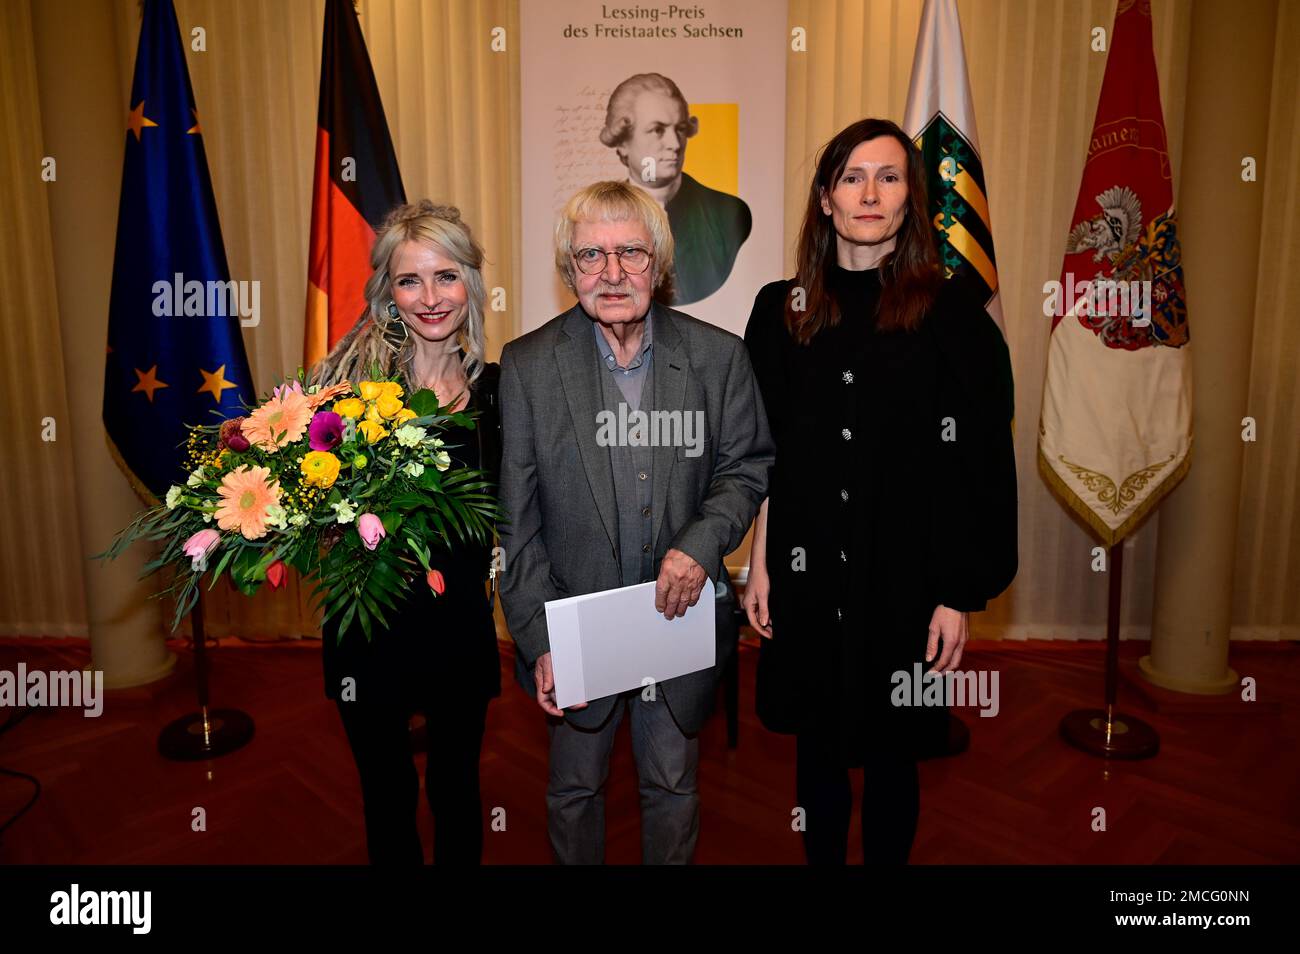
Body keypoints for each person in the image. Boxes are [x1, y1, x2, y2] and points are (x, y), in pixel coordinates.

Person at [741, 118, 1017, 865]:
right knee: (817, 750)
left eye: (889, 177)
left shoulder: (955, 315)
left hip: (909, 577)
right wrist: (761, 561)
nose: (869, 192)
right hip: (804, 569)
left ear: (910, 201)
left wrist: (957, 592)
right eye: (852, 177)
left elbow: (981, 464)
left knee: (898, 752)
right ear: (826, 199)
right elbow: (767, 451)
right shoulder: (780, 310)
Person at [497, 180, 773, 864]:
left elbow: (747, 468)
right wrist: (539, 637)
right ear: (569, 272)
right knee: (574, 791)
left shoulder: (719, 357)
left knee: (673, 784)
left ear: (660, 265)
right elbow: (517, 523)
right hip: (575, 623)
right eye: (591, 256)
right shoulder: (528, 366)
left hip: (676, 622)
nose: (613, 274)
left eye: (632, 254)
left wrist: (701, 547)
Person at [312, 200, 503, 864]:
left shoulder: (499, 394)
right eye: (409, 280)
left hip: (458, 631)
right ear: (386, 293)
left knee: (458, 790)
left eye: (446, 276)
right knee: (387, 796)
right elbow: (312, 516)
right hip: (369, 632)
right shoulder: (343, 394)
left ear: (471, 285)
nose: (430, 298)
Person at [599, 72, 752, 305]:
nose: (675, 144)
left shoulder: (729, 213)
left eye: (680, 129)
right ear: (622, 142)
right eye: (657, 129)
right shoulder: (596, 221)